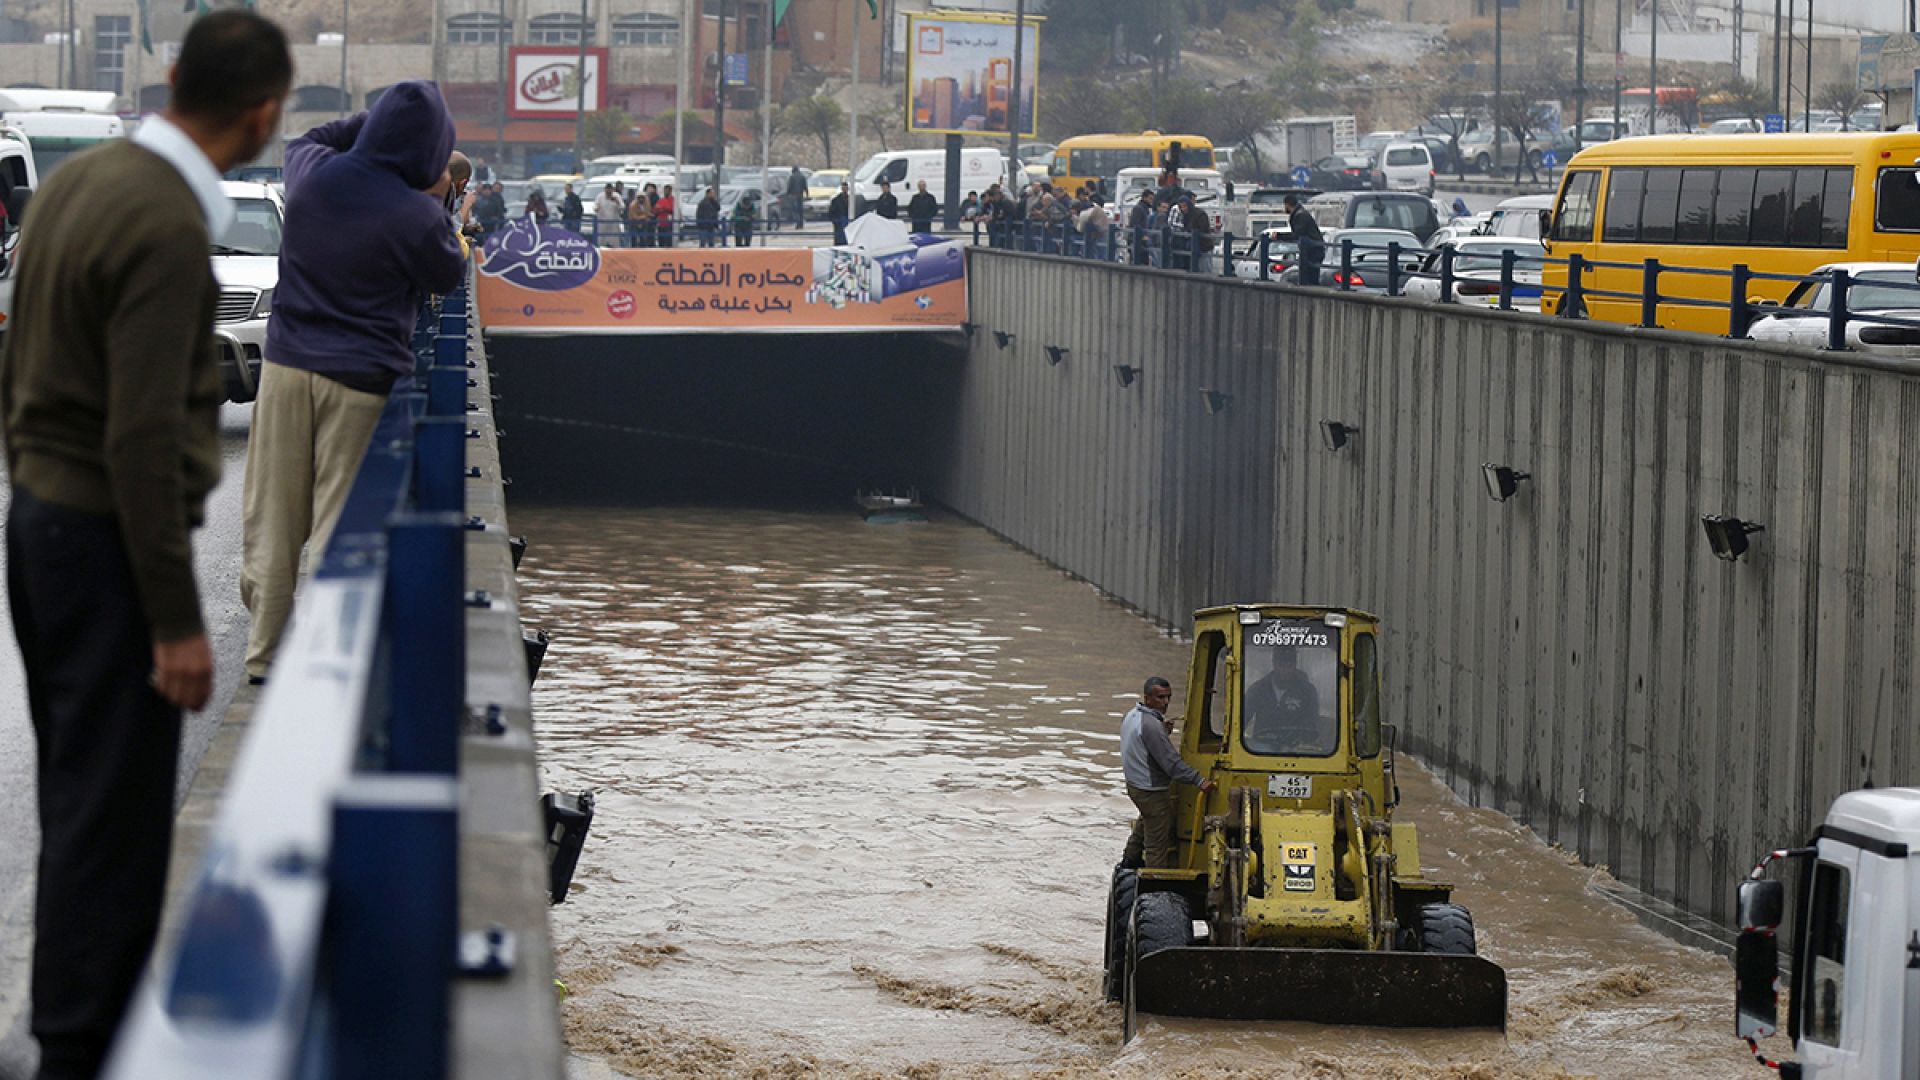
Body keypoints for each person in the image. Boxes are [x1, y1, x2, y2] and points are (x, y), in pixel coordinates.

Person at [0, 14, 290, 1078]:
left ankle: (63, 1026)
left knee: (77, 799)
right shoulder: (167, 223)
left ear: (173, 78)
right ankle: (84, 1046)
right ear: (262, 114)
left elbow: (20, 353)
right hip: (106, 541)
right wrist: (175, 620)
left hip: (39, 520)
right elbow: (142, 440)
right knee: (117, 820)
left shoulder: (77, 185)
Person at [240, 79, 465, 684]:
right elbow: (447, 274)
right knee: (339, 521)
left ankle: (264, 656)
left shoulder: (312, 174)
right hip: (362, 380)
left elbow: (308, 137)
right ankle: (323, 658)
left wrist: (374, 122)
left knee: (273, 514)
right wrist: (441, 197)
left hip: (286, 368)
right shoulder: (416, 215)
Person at [1119, 678, 1216, 870]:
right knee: (1157, 843)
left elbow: (1144, 745)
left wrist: (1163, 734)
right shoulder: (1152, 727)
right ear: (1147, 698)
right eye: (1160, 697)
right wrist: (1199, 780)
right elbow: (1171, 764)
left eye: (1168, 697)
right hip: (1150, 790)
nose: (1165, 702)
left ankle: (1128, 862)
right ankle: (1154, 879)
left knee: (1146, 821)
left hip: (1136, 786)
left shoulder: (1132, 715)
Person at [1242, 649, 1326, 755]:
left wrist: (1296, 741)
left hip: (1297, 747)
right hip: (1262, 747)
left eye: (1289, 665)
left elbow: (1312, 723)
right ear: (1274, 663)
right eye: (1281, 665)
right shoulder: (1258, 689)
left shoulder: (1307, 691)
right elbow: (1242, 719)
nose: (1285, 670)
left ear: (1295, 665)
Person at [1285, 192, 1325, 286]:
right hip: (1313, 248)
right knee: (1311, 275)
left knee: (1310, 277)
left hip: (1312, 250)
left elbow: (1297, 234)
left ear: (1287, 204)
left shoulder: (1300, 215)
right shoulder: (1301, 213)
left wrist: (1279, 236)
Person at [1127, 189, 1154, 266]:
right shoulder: (1139, 209)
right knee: (1138, 260)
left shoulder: (1144, 208)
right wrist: (1142, 236)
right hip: (1137, 239)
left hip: (1141, 239)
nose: (1152, 201)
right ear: (1144, 198)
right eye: (1150, 198)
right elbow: (1135, 224)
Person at [594, 180, 624, 244]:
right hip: (602, 223)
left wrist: (617, 202)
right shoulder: (600, 196)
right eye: (607, 192)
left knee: (615, 242)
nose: (608, 193)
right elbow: (595, 207)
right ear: (605, 190)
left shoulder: (617, 196)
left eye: (610, 192)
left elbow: (622, 207)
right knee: (601, 241)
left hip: (614, 223)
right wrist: (597, 208)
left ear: (612, 190)